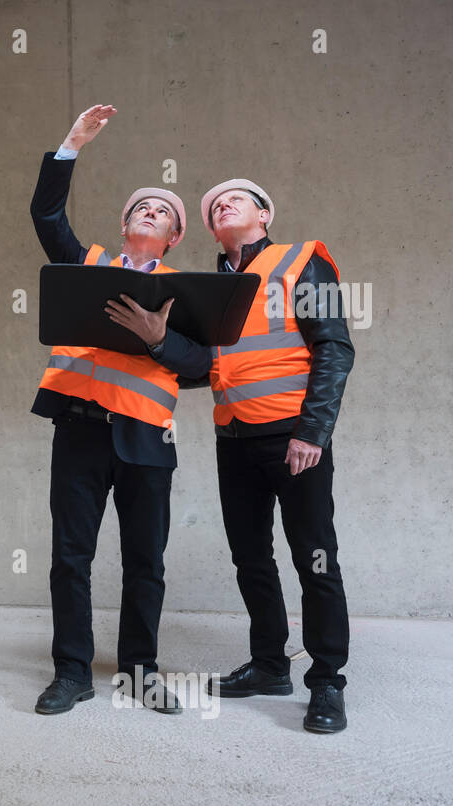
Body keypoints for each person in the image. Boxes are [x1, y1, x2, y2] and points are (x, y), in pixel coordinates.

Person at [114, 178, 355, 732]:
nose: (223, 203)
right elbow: (201, 366)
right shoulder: (209, 289)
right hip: (235, 439)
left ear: (264, 214)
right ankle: (270, 665)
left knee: (315, 562)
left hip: (295, 438)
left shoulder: (302, 261)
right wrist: (155, 341)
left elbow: (334, 347)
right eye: (214, 204)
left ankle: (326, 683)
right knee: (251, 560)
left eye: (237, 198)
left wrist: (313, 433)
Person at [29, 104, 208, 716]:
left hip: (147, 437)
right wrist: (72, 143)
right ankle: (72, 672)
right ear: (124, 223)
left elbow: (204, 366)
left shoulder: (188, 294)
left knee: (145, 561)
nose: (149, 214)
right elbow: (45, 215)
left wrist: (160, 337)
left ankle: (139, 672)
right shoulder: (90, 265)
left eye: (162, 212)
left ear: (174, 237)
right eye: (140, 208)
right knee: (70, 557)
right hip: (80, 430)